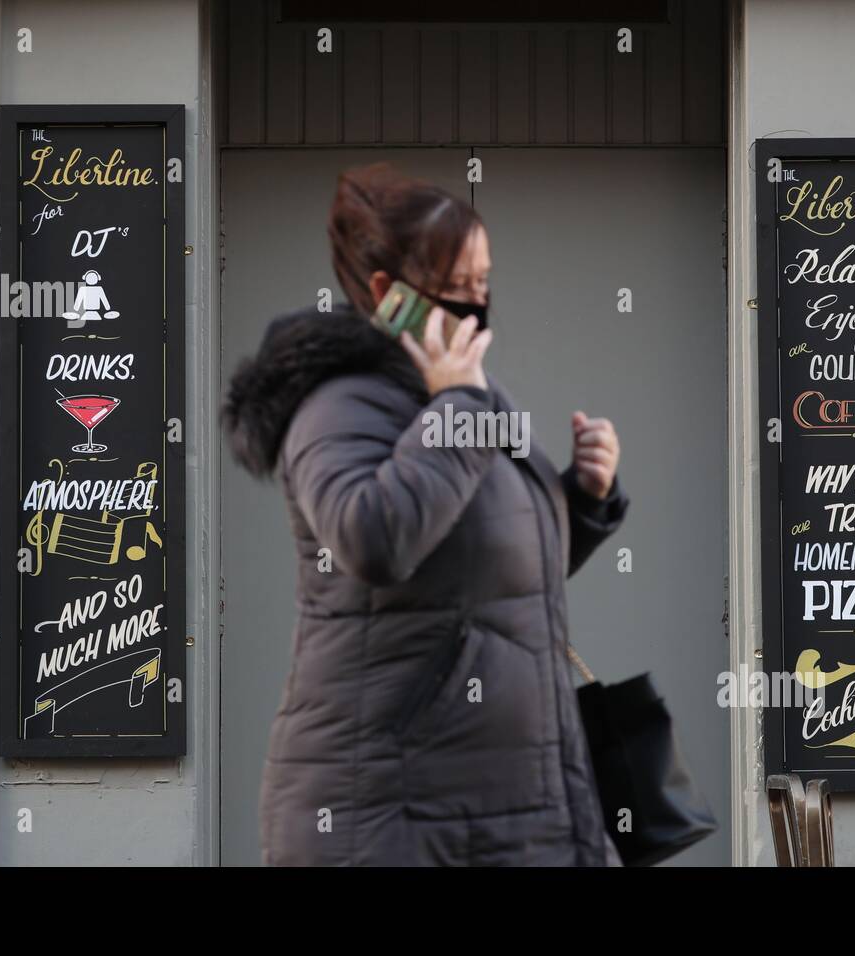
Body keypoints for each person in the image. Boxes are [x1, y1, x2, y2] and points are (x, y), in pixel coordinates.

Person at [223, 162, 629, 866]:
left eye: (484, 284)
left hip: (507, 803)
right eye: (456, 288)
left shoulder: (468, 394)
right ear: (389, 295)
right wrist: (460, 411)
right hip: (392, 812)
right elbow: (373, 537)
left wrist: (586, 497)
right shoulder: (338, 404)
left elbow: (499, 575)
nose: (477, 308)